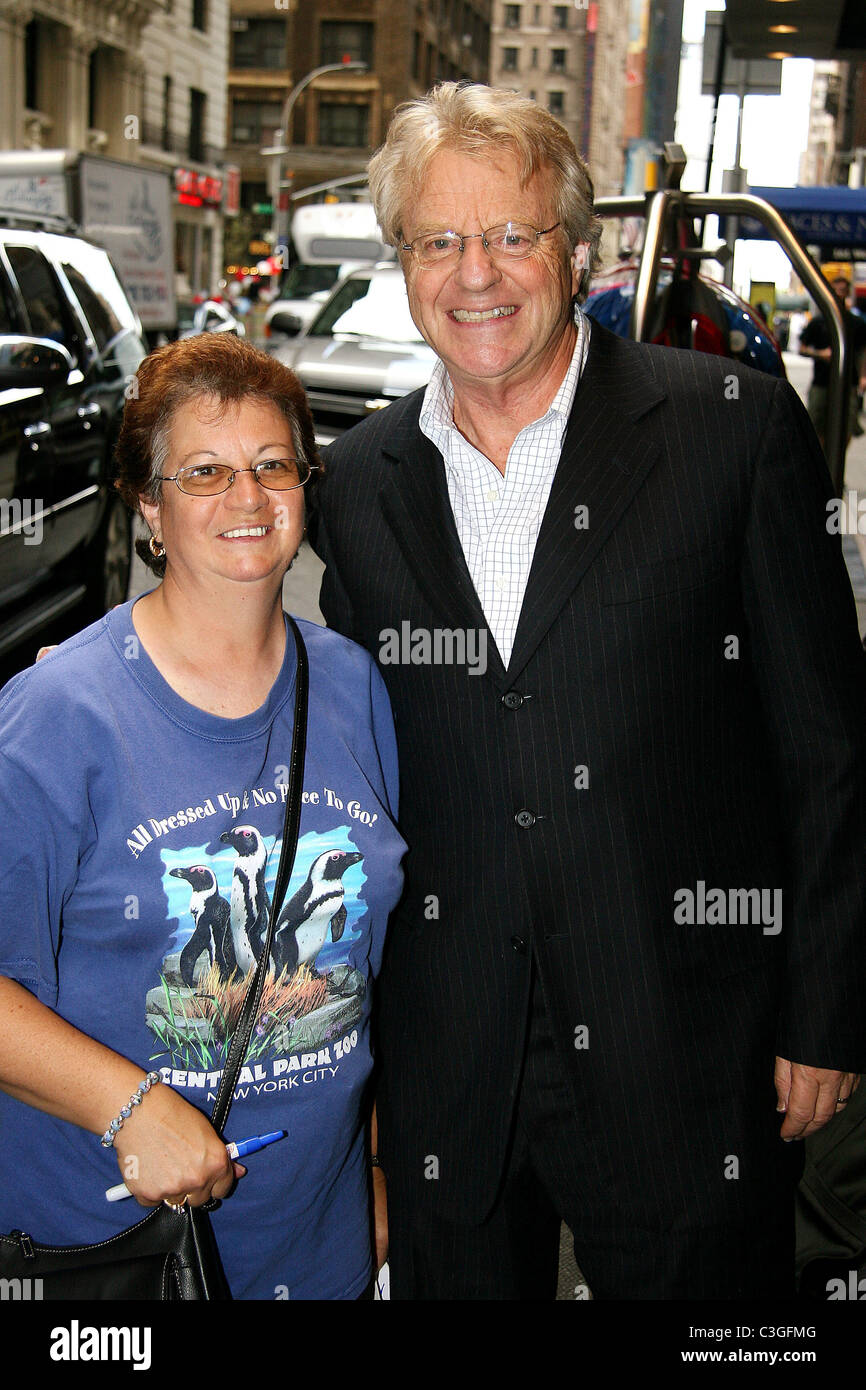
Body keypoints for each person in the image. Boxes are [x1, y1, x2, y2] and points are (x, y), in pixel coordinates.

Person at [309, 83, 866, 1300]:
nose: (477, 275)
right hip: (451, 1060)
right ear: (403, 262)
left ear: (573, 248)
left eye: (510, 234)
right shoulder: (353, 481)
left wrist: (825, 1014)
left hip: (688, 1050)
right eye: (438, 241)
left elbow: (828, 752)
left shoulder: (730, 431)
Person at [0, 334, 405, 1300]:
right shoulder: (57, 717)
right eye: (205, 472)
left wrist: (380, 1170)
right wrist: (133, 1107)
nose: (249, 498)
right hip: (116, 1257)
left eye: (274, 465)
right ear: (149, 505)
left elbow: (374, 976)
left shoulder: (352, 682)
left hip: (320, 1244)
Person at [799, 273, 866, 449]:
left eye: (843, 290)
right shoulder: (819, 322)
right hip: (822, 382)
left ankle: (835, 465)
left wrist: (862, 377)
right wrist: (821, 354)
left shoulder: (856, 323)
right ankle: (824, 467)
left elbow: (862, 352)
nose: (839, 294)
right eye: (835, 290)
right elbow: (802, 348)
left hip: (848, 382)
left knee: (848, 425)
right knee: (816, 425)